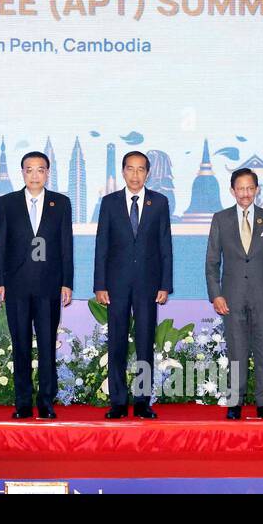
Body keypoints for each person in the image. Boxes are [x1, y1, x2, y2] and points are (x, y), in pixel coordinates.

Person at [0, 151, 73, 419]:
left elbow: (66, 246)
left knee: (48, 345)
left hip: (49, 286)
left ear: (48, 173)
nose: (35, 175)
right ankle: (23, 403)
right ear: (22, 172)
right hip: (16, 286)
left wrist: (66, 282)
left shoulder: (60, 203)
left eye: (40, 170)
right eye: (29, 170)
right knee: (21, 346)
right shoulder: (8, 202)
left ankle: (46, 402)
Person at [93, 150, 173, 419]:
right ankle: (117, 401)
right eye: (130, 169)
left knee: (144, 342)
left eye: (141, 169)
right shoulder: (109, 203)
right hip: (115, 285)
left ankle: (142, 401)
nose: (135, 174)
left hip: (148, 285)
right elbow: (101, 246)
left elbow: (165, 246)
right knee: (116, 342)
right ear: (123, 171)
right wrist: (100, 284)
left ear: (147, 173)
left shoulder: (159, 202)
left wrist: (165, 284)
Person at [204, 167, 263, 419]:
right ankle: (235, 403)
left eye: (250, 188)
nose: (245, 193)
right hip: (231, 297)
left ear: (257, 190)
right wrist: (216, 294)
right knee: (236, 352)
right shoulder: (220, 219)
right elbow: (211, 262)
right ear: (232, 191)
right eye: (240, 188)